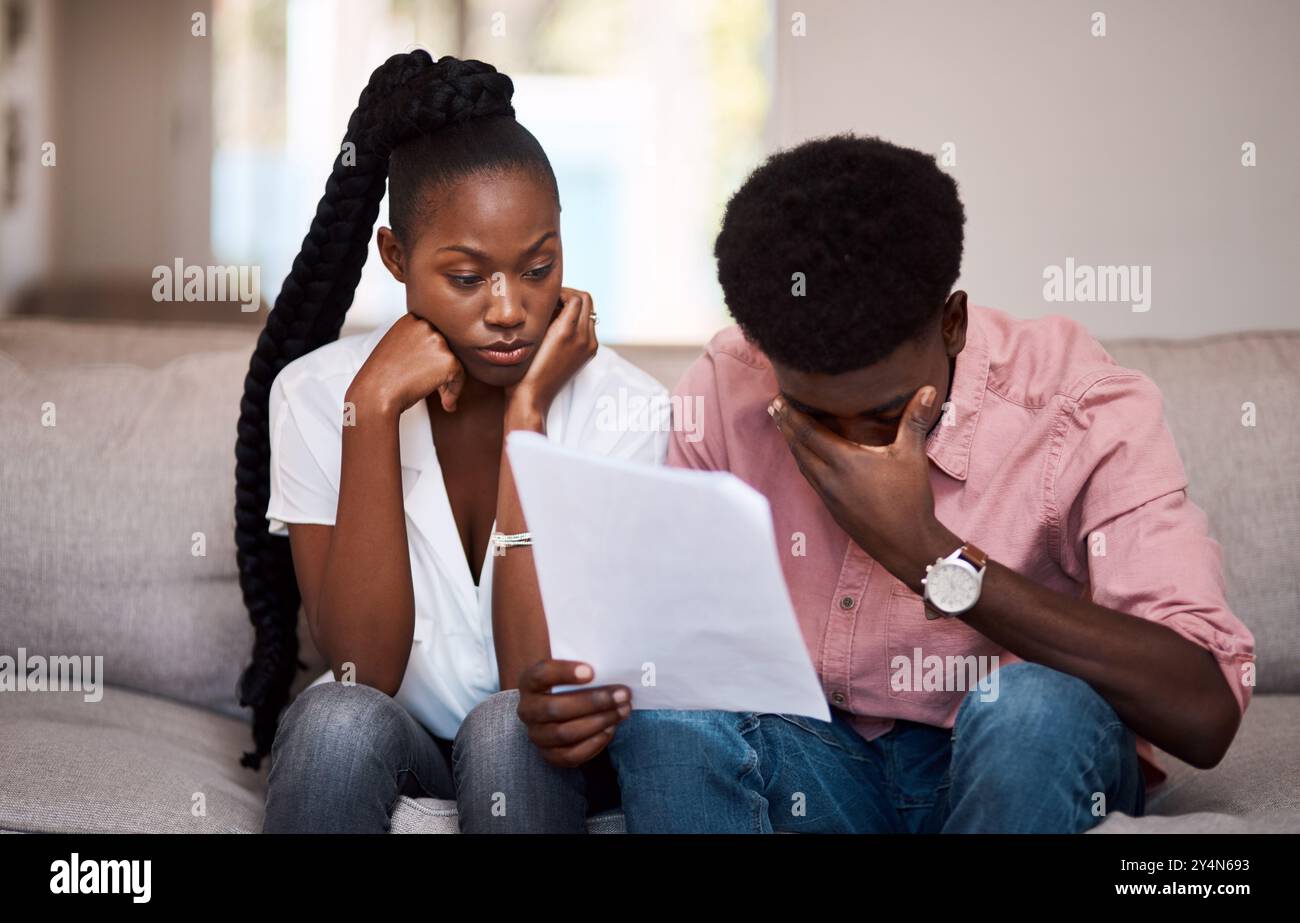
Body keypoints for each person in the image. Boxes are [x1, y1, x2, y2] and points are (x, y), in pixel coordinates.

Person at [604, 133, 1255, 833]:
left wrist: (932, 556)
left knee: (1032, 707)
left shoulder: (1073, 404)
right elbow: (677, 640)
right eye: (817, 419)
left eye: (886, 416)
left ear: (953, 324)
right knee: (665, 707)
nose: (856, 450)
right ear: (765, 351)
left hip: (1009, 759)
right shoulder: (730, 386)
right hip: (822, 764)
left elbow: (1205, 709)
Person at [232, 51, 667, 833]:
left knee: (507, 726)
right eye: (468, 277)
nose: (510, 308)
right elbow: (363, 672)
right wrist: (371, 408)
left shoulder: (626, 410)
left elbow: (533, 678)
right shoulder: (315, 393)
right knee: (333, 718)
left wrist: (527, 419)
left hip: (553, 748)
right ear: (396, 258)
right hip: (407, 737)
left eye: (539, 267)